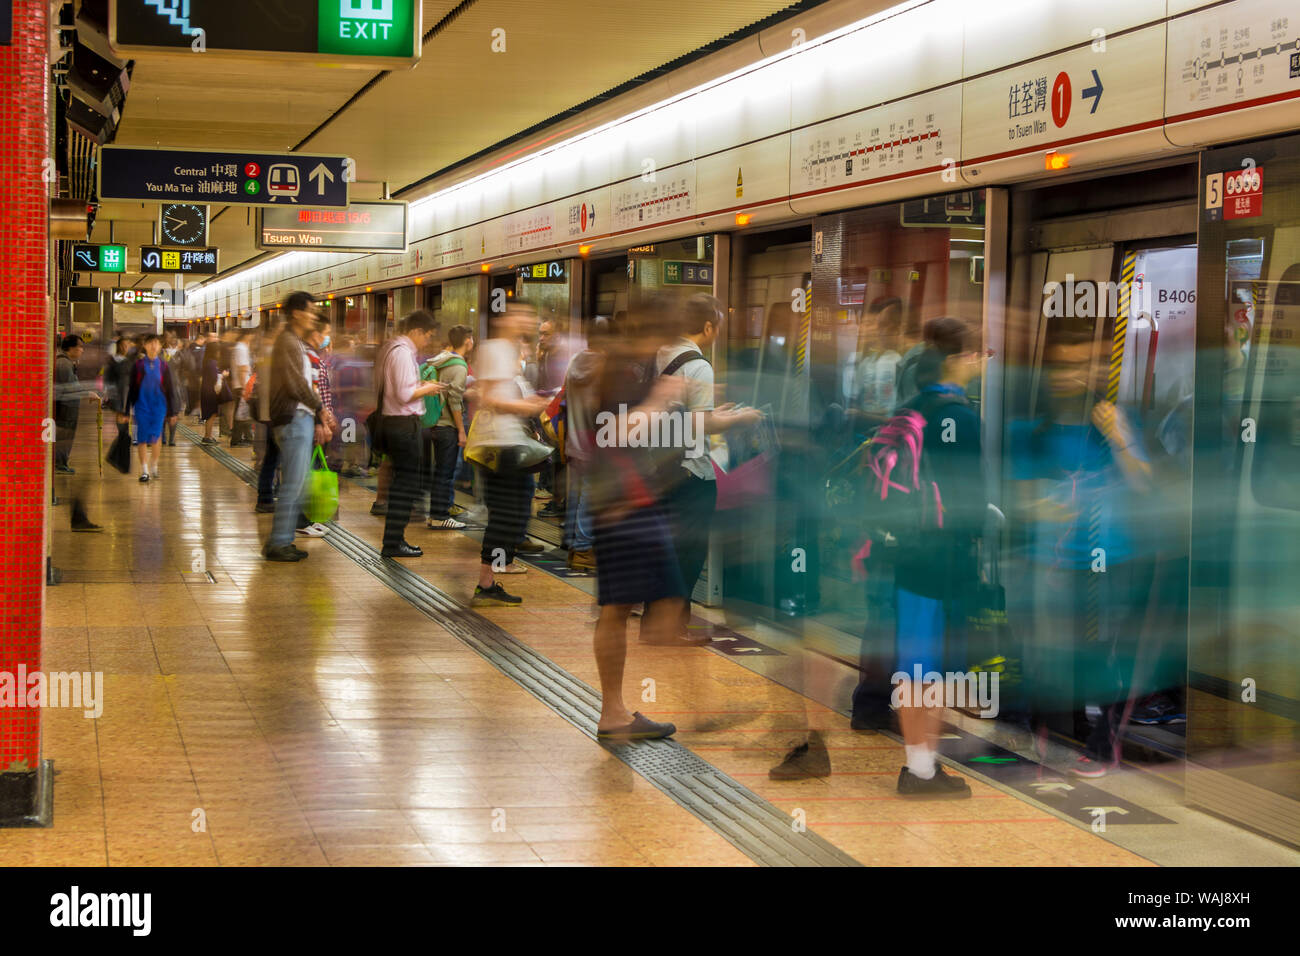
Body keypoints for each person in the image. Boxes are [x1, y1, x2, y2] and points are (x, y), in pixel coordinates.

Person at [890, 318, 986, 796]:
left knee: (915, 657)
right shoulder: (960, 417)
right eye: (980, 353)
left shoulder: (909, 408)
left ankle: (921, 763)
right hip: (944, 552)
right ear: (960, 359)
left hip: (907, 549)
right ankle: (921, 770)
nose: (983, 362)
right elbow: (969, 495)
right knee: (933, 660)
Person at [584, 304, 688, 739]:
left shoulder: (627, 368)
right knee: (649, 604)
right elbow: (616, 431)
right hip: (625, 505)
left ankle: (615, 710)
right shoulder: (627, 371)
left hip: (625, 501)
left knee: (624, 607)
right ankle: (614, 711)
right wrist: (662, 400)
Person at [653, 294, 764, 645]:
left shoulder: (662, 354)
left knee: (666, 549)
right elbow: (702, 425)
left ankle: (655, 622)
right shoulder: (699, 364)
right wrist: (740, 419)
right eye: (717, 326)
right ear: (707, 327)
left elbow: (681, 412)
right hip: (691, 470)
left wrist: (718, 412)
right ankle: (673, 626)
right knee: (688, 552)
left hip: (662, 467)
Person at [469, 303, 549, 605]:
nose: (527, 320)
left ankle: (491, 577)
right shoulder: (496, 349)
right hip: (498, 445)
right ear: (504, 318)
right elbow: (488, 397)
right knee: (504, 515)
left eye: (530, 315)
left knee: (513, 513)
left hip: (510, 443)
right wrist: (526, 406)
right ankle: (486, 582)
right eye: (521, 314)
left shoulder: (509, 350)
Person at [374, 310, 446, 558]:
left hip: (397, 424)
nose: (428, 341)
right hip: (403, 426)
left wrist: (420, 387)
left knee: (403, 484)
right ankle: (393, 542)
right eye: (427, 336)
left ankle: (395, 539)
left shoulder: (393, 349)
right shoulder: (403, 353)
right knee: (406, 485)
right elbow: (404, 395)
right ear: (416, 331)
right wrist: (428, 388)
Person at [264, 293, 328, 562]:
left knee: (297, 483)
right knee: (293, 484)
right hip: (293, 418)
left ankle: (284, 539)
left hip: (298, 418)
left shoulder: (295, 342)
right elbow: (295, 384)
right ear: (296, 313)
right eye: (310, 310)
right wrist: (319, 407)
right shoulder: (288, 342)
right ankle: (278, 542)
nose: (314, 315)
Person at [561, 319, 608, 571]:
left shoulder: (574, 361)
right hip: (593, 440)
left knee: (576, 493)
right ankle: (582, 549)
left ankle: (572, 545)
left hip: (574, 437)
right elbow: (598, 405)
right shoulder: (604, 365)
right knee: (589, 495)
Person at [423, 324, 472, 531]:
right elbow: (454, 400)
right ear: (468, 341)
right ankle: (440, 516)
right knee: (446, 473)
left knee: (439, 472)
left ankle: (435, 514)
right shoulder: (459, 366)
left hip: (434, 422)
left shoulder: (440, 359)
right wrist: (461, 430)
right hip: (447, 426)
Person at [125, 333, 178, 483]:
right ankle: (144, 470)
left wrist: (172, 412)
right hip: (141, 405)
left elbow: (170, 389)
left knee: (156, 436)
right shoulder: (138, 365)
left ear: (160, 346)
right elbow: (131, 388)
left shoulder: (164, 366)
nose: (153, 346)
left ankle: (154, 464)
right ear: (145, 346)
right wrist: (126, 410)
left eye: (156, 343)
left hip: (159, 406)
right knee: (142, 437)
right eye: (150, 343)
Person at [53, 335, 101, 474]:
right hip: (65, 407)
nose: (82, 350)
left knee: (67, 435)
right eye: (80, 347)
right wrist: (87, 393)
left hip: (69, 405)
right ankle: (59, 464)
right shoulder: (63, 364)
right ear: (71, 348)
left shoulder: (67, 362)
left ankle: (62, 463)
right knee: (64, 435)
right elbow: (70, 387)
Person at [229, 329, 255, 447]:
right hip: (242, 385)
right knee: (242, 413)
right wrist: (245, 388)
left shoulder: (240, 347)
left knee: (242, 413)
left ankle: (243, 438)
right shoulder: (241, 348)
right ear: (247, 335)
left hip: (240, 384)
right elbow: (242, 369)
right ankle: (238, 439)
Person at [199, 332, 224, 444]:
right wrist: (223, 375)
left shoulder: (207, 361)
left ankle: (208, 435)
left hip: (206, 390)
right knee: (211, 414)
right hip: (210, 392)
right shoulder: (212, 363)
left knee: (210, 414)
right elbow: (215, 378)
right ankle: (207, 436)